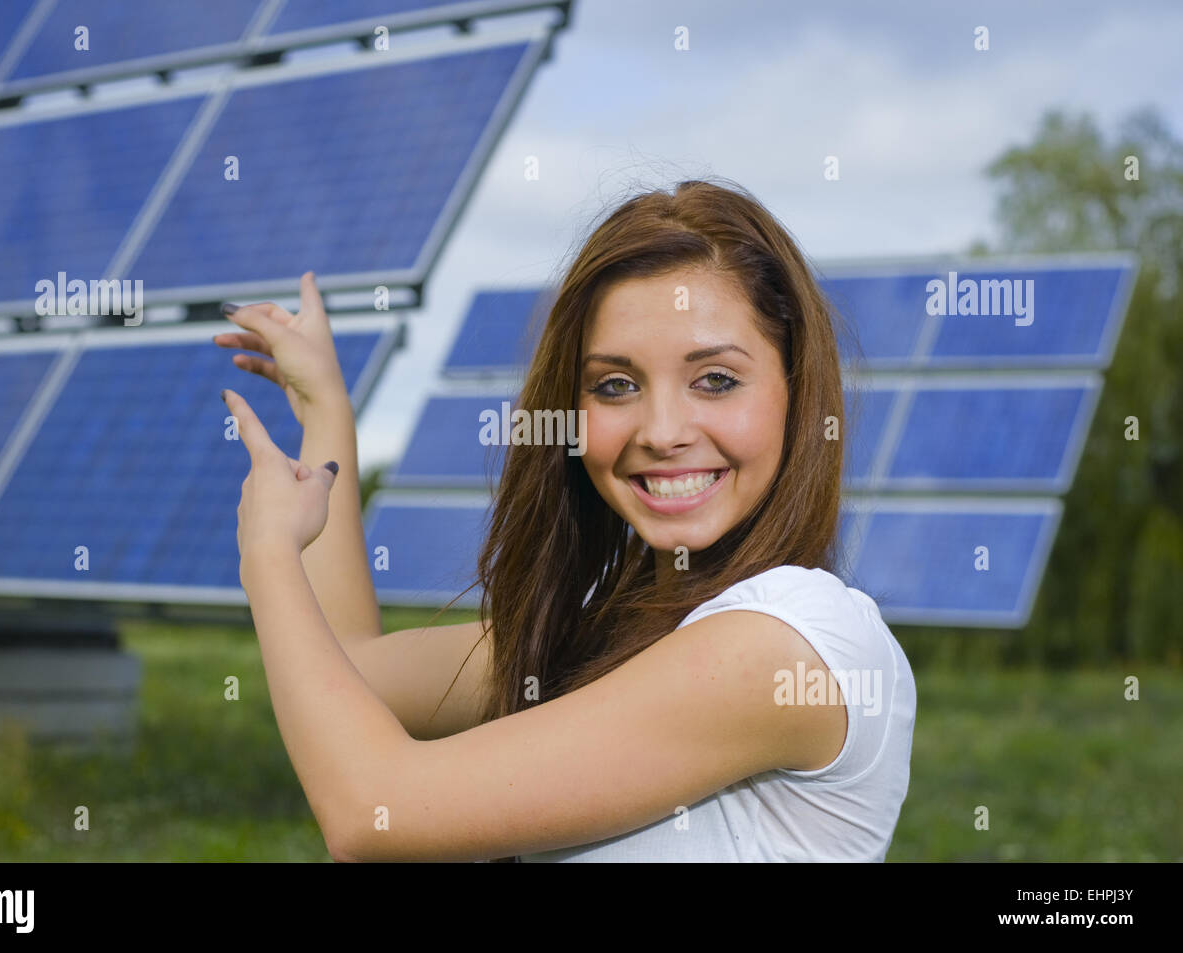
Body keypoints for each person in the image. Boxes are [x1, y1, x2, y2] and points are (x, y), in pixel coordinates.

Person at [215, 178, 916, 862]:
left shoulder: (789, 645)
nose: (662, 430)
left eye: (716, 379)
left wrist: (268, 555)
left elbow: (372, 810)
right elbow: (349, 675)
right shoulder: (601, 631)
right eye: (616, 385)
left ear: (797, 391)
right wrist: (325, 413)